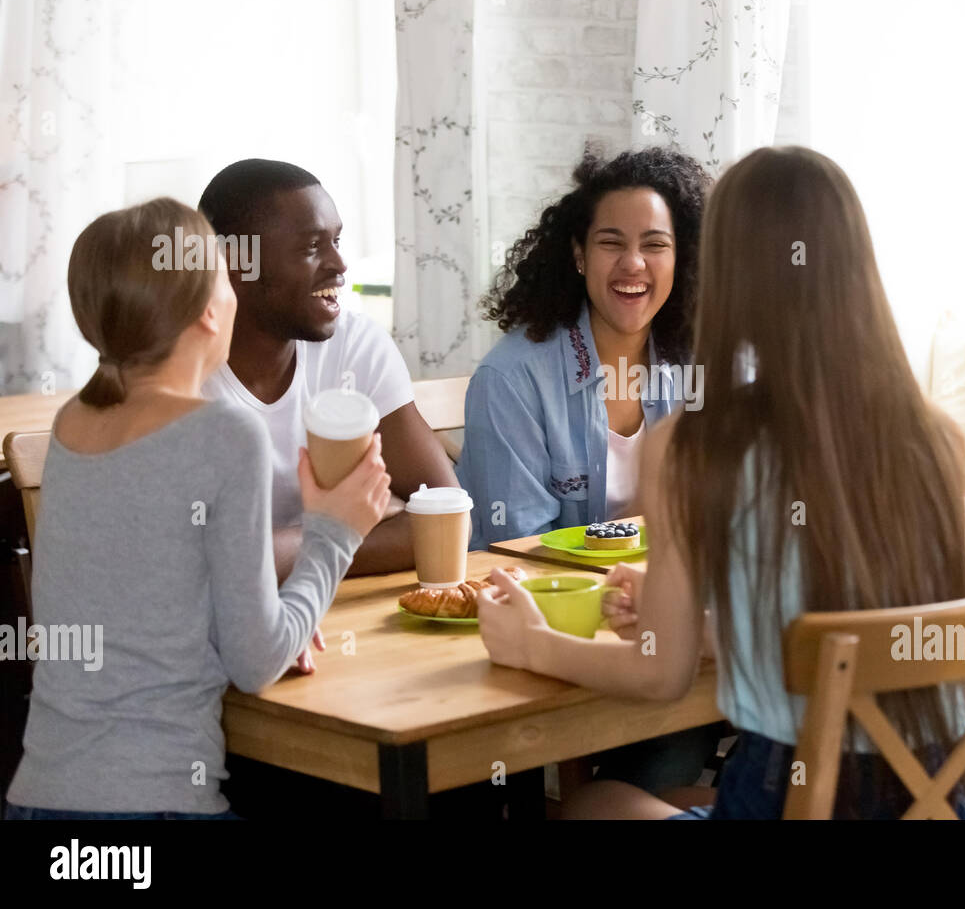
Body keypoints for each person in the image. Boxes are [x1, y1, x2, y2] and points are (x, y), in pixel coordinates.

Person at [476, 146, 965, 819]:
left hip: (788, 792)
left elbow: (661, 675)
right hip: (935, 798)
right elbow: (848, 628)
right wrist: (707, 622)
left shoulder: (692, 447)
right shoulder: (938, 439)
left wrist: (530, 643)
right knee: (675, 791)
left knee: (592, 804)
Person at [3, 199, 390, 819]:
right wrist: (335, 533)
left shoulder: (75, 421)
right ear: (210, 311)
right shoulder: (225, 433)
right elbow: (256, 665)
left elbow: (145, 600)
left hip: (39, 804)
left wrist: (267, 617)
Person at [198, 159, 456, 586]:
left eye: (336, 240)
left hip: (331, 622)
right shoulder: (175, 373)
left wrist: (280, 552)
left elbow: (444, 519)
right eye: (312, 247)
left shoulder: (356, 346)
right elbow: (192, 569)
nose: (340, 263)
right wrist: (347, 527)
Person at [458, 146, 709, 550]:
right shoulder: (511, 379)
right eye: (611, 243)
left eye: (655, 245)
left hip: (658, 593)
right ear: (580, 255)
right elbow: (522, 545)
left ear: (683, 259)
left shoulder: (703, 363)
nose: (633, 263)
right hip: (545, 597)